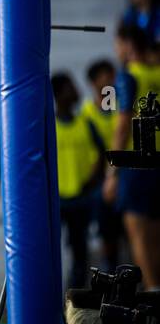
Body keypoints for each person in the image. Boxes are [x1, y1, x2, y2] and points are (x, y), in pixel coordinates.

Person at [105, 25, 160, 287]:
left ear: (127, 44)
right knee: (156, 233)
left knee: (138, 232)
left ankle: (152, 295)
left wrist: (112, 172)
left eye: (117, 44)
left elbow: (123, 123)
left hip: (137, 163)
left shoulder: (128, 76)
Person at [52, 73, 106, 289]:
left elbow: (102, 154)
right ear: (58, 94)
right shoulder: (47, 126)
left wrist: (93, 180)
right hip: (55, 201)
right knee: (50, 252)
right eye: (70, 87)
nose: (76, 91)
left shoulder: (85, 123)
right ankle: (52, 297)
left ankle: (72, 299)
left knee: (79, 252)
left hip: (79, 200)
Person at [82, 59, 122, 269]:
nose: (109, 81)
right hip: (99, 182)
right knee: (107, 234)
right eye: (103, 77)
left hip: (124, 174)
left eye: (112, 76)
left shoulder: (124, 109)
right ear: (93, 83)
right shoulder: (86, 113)